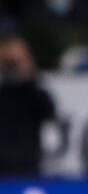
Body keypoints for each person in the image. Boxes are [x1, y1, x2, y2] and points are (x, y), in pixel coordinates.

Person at [0, 37, 57, 176]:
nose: (13, 67)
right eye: (9, 63)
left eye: (17, 62)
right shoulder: (3, 93)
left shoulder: (34, 93)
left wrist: (30, 75)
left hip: (28, 164)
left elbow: (50, 111)